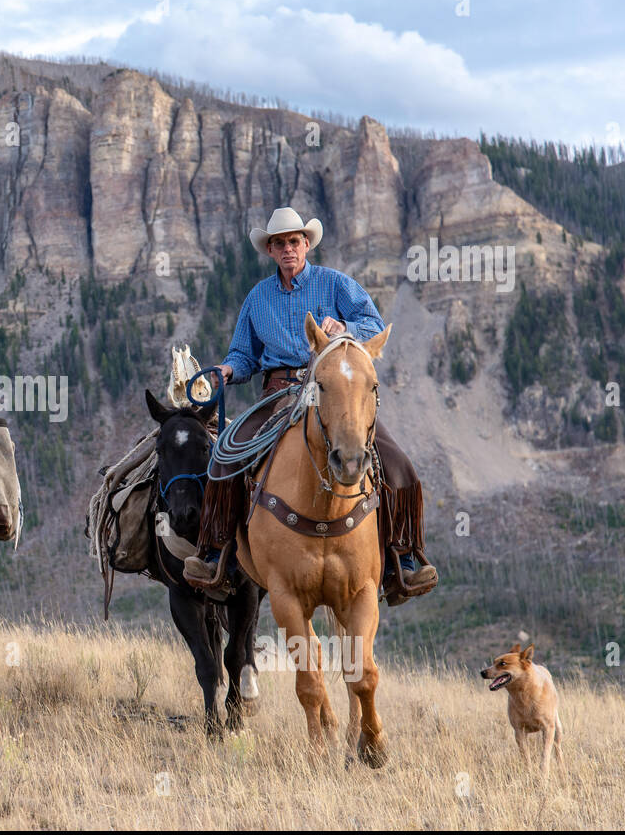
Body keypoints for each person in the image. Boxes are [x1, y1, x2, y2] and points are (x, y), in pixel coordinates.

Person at [184, 207, 437, 605]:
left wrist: (345, 329)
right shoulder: (257, 298)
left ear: (307, 245)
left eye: (295, 241)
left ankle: (402, 558)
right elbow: (244, 354)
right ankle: (217, 554)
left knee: (397, 461)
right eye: (280, 243)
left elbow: (374, 327)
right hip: (277, 393)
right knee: (225, 456)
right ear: (270, 250)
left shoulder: (336, 284)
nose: (288, 248)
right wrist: (225, 371)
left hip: (333, 391)